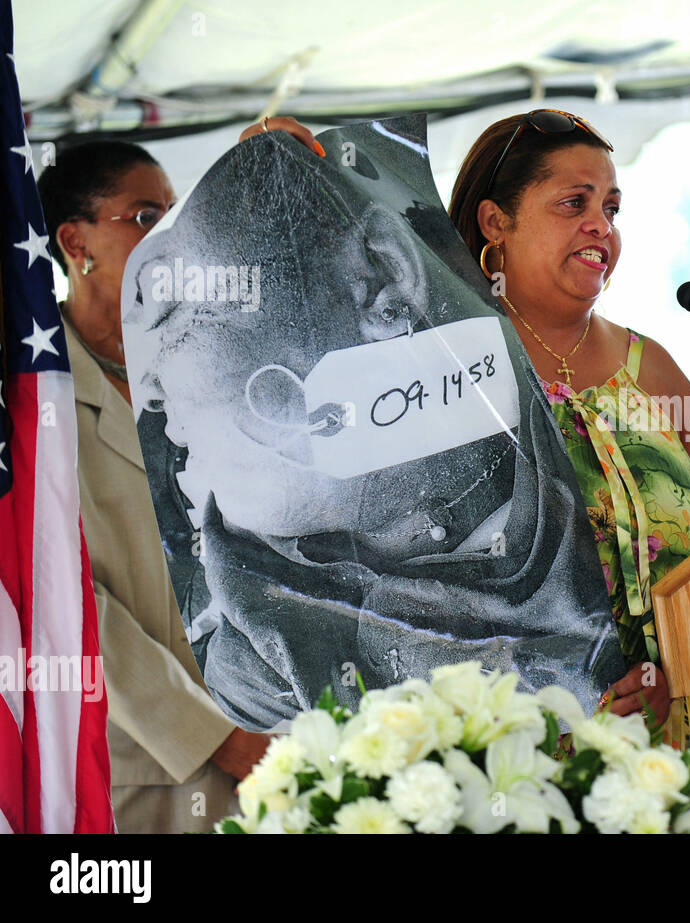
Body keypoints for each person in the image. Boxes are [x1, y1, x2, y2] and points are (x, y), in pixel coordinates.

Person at [128, 115, 626, 731]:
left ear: (380, 275)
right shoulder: (247, 645)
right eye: (573, 202)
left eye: (181, 314)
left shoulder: (614, 401)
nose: (148, 389)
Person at [443, 109, 690, 812]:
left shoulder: (655, 372)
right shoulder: (451, 380)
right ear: (495, 222)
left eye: (610, 207)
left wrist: (683, 665)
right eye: (573, 203)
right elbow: (425, 593)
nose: (601, 226)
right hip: (523, 769)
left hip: (679, 760)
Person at [37, 140, 269, 833]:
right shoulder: (29, 404)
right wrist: (212, 734)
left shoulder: (218, 365)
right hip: (136, 766)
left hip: (269, 739)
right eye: (144, 215)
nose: (171, 236)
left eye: (175, 213)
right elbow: (63, 598)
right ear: (76, 242)